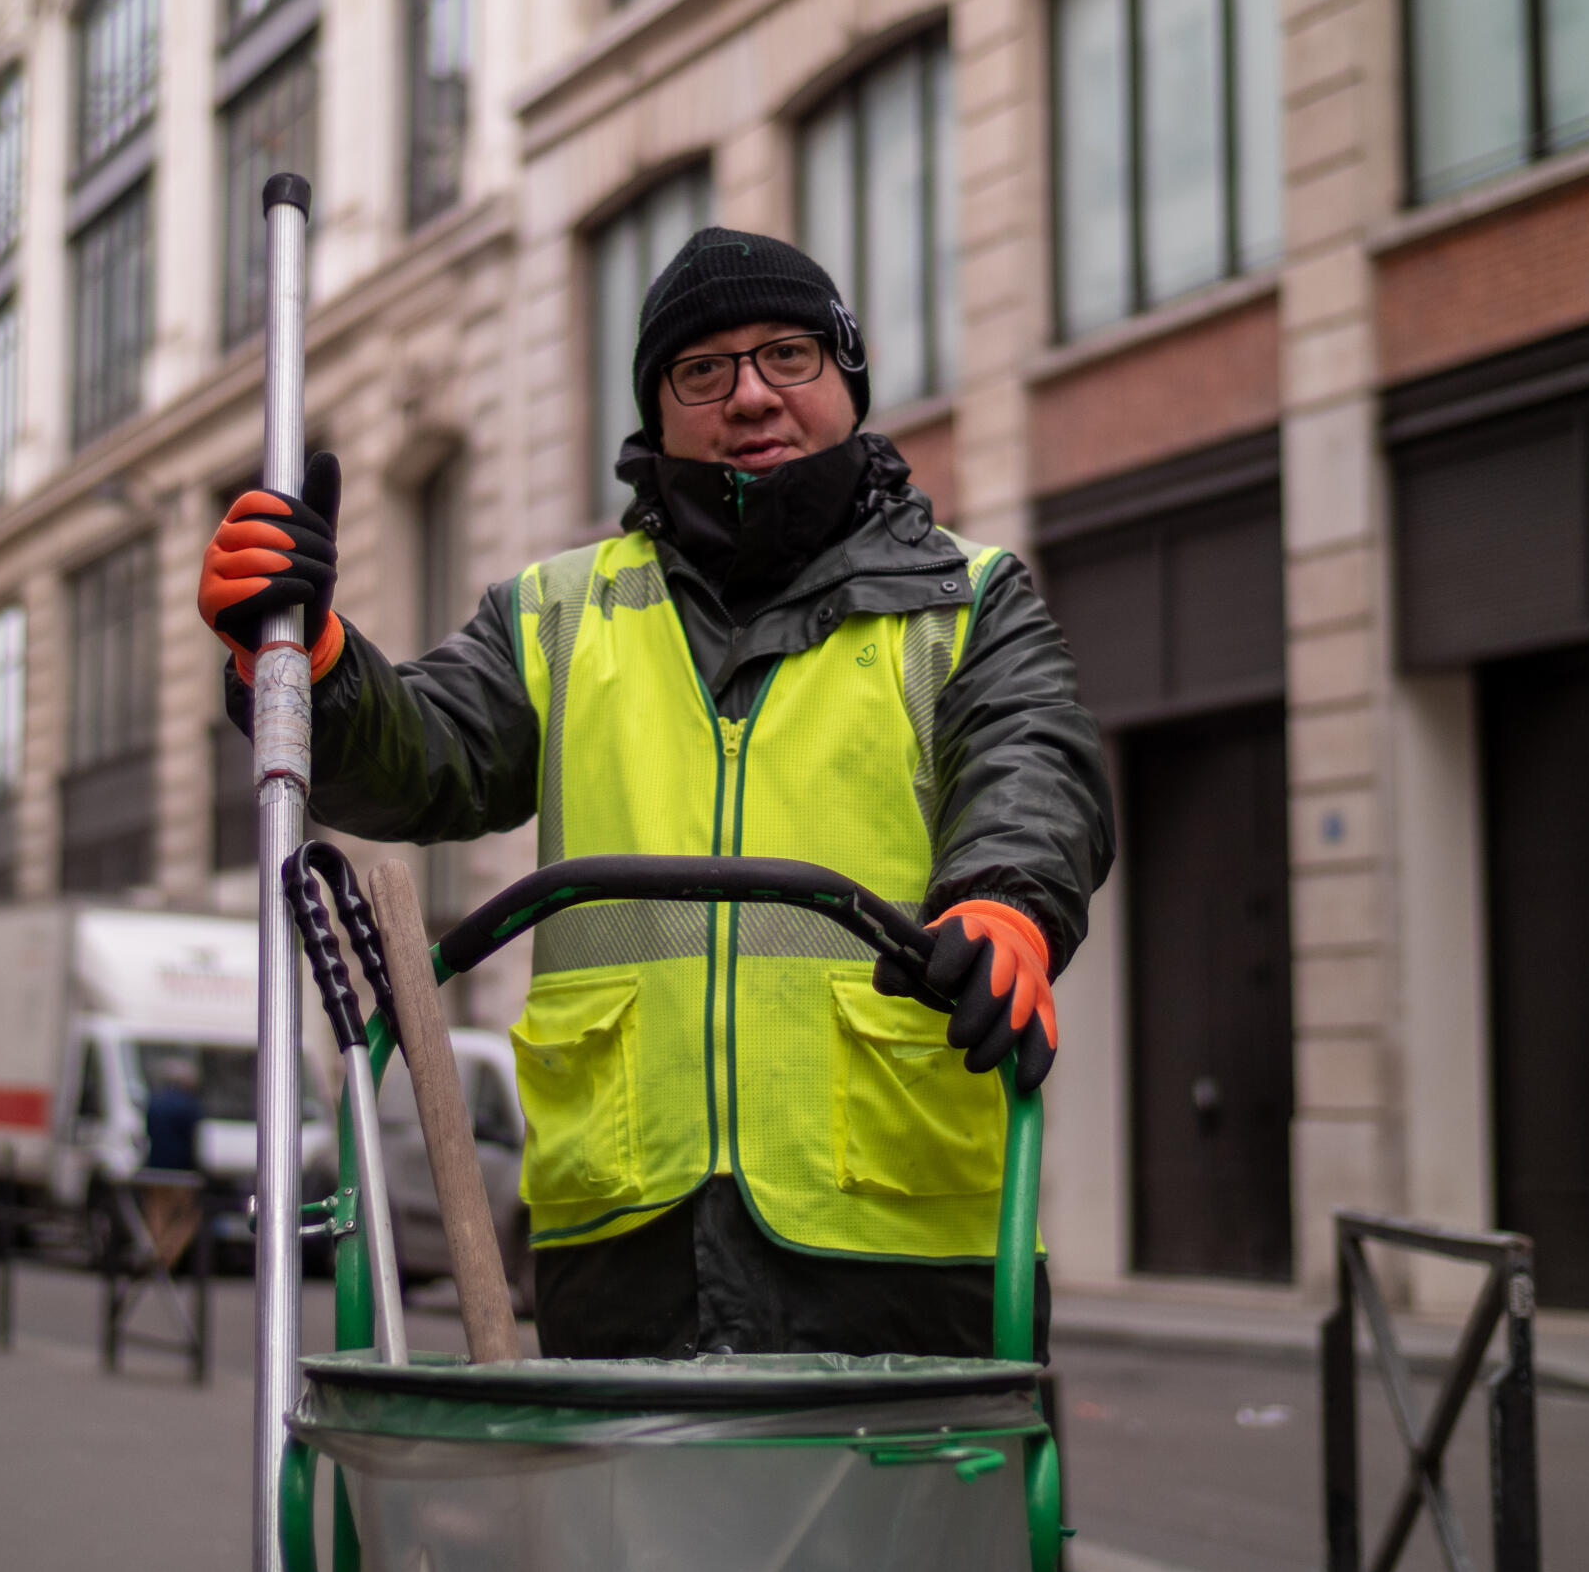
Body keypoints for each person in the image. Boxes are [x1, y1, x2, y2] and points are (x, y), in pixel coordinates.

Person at [200, 227, 1112, 1361]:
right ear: (655, 412)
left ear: (848, 376)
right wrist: (313, 664)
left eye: (787, 355)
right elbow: (420, 757)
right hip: (625, 1247)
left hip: (908, 1246)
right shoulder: (556, 612)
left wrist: (1008, 901)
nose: (750, 395)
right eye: (702, 371)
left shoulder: (969, 602)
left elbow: (1035, 759)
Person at [138, 1055, 206, 1270]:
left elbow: (147, 1134)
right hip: (180, 1171)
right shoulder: (190, 1107)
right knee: (190, 1215)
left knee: (157, 1213)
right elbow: (192, 1142)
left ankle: (153, 1252)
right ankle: (168, 1256)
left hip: (154, 1167)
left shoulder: (154, 1102)